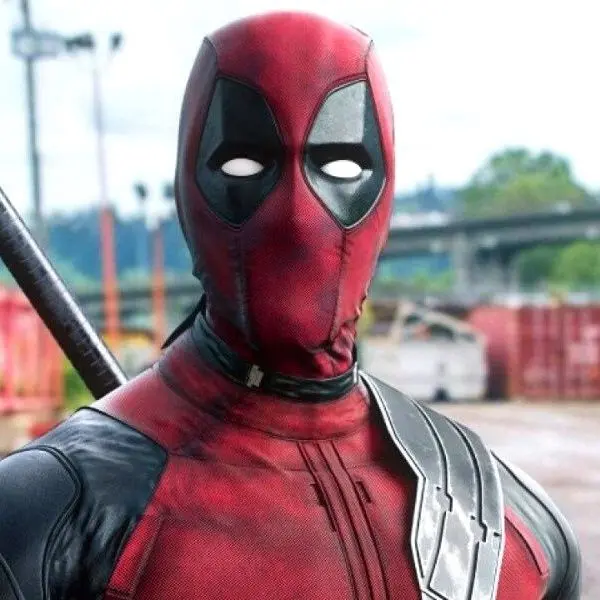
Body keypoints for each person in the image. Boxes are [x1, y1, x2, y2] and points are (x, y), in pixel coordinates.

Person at [0, 11, 580, 600]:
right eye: (245, 164)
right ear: (188, 188)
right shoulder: (45, 519)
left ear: (385, 188)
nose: (299, 218)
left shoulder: (513, 525)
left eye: (341, 165)